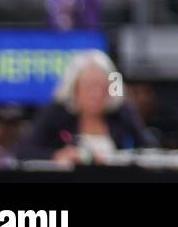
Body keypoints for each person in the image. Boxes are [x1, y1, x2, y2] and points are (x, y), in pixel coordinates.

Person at [18, 50, 157, 164]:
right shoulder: (55, 113)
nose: (95, 94)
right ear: (74, 88)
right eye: (89, 86)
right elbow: (24, 152)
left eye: (101, 86)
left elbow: (151, 150)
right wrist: (57, 155)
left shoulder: (123, 112)